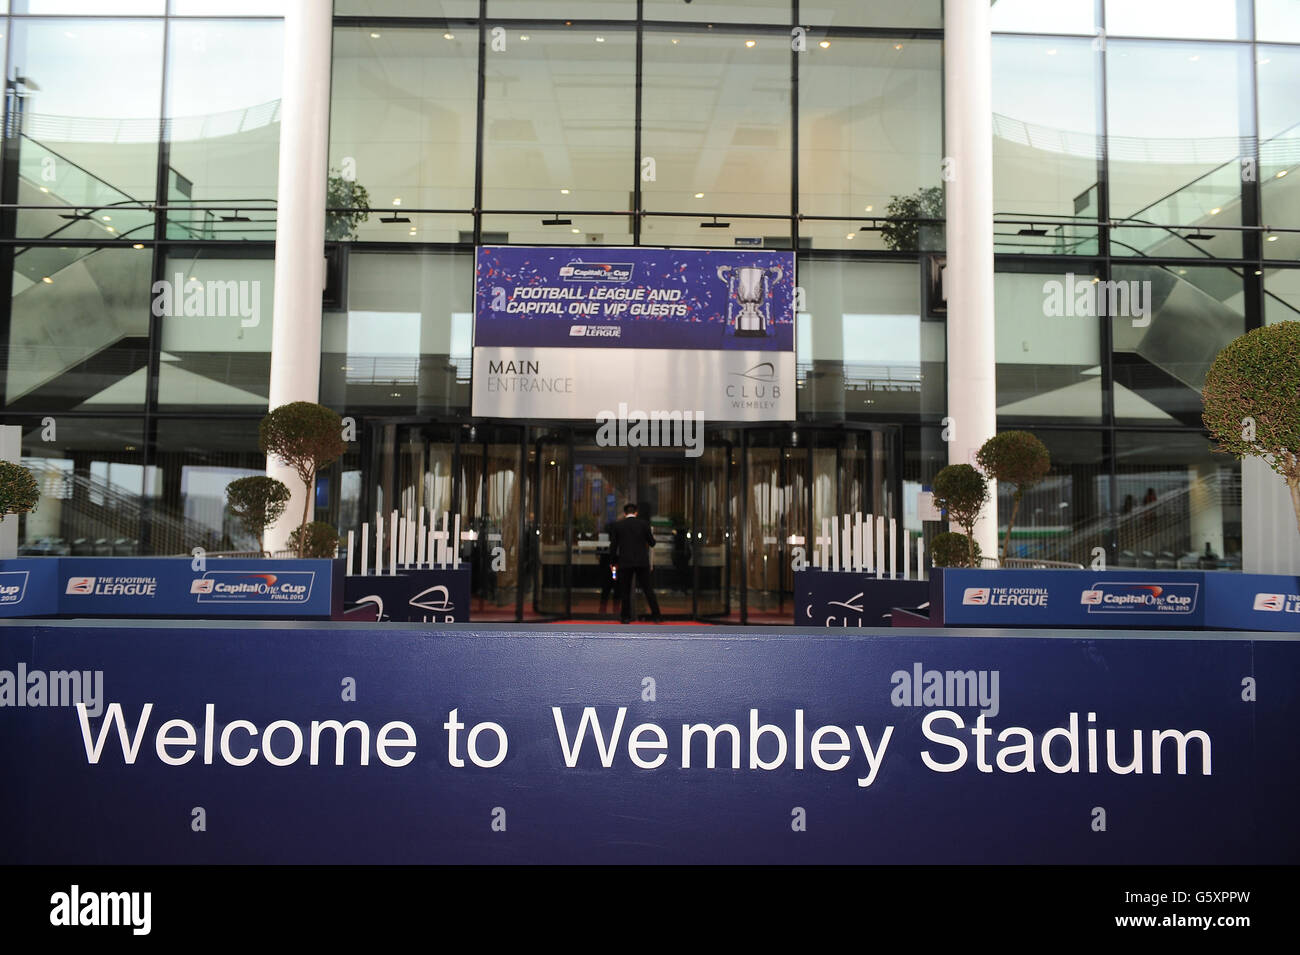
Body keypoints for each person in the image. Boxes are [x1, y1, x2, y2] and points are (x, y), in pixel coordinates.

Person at [608, 503, 662, 624]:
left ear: (625, 513)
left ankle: (625, 617)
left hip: (625, 562)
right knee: (648, 589)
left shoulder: (618, 525)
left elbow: (613, 546)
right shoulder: (643, 524)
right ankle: (657, 616)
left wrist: (612, 562)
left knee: (625, 590)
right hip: (641, 562)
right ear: (636, 512)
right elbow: (652, 543)